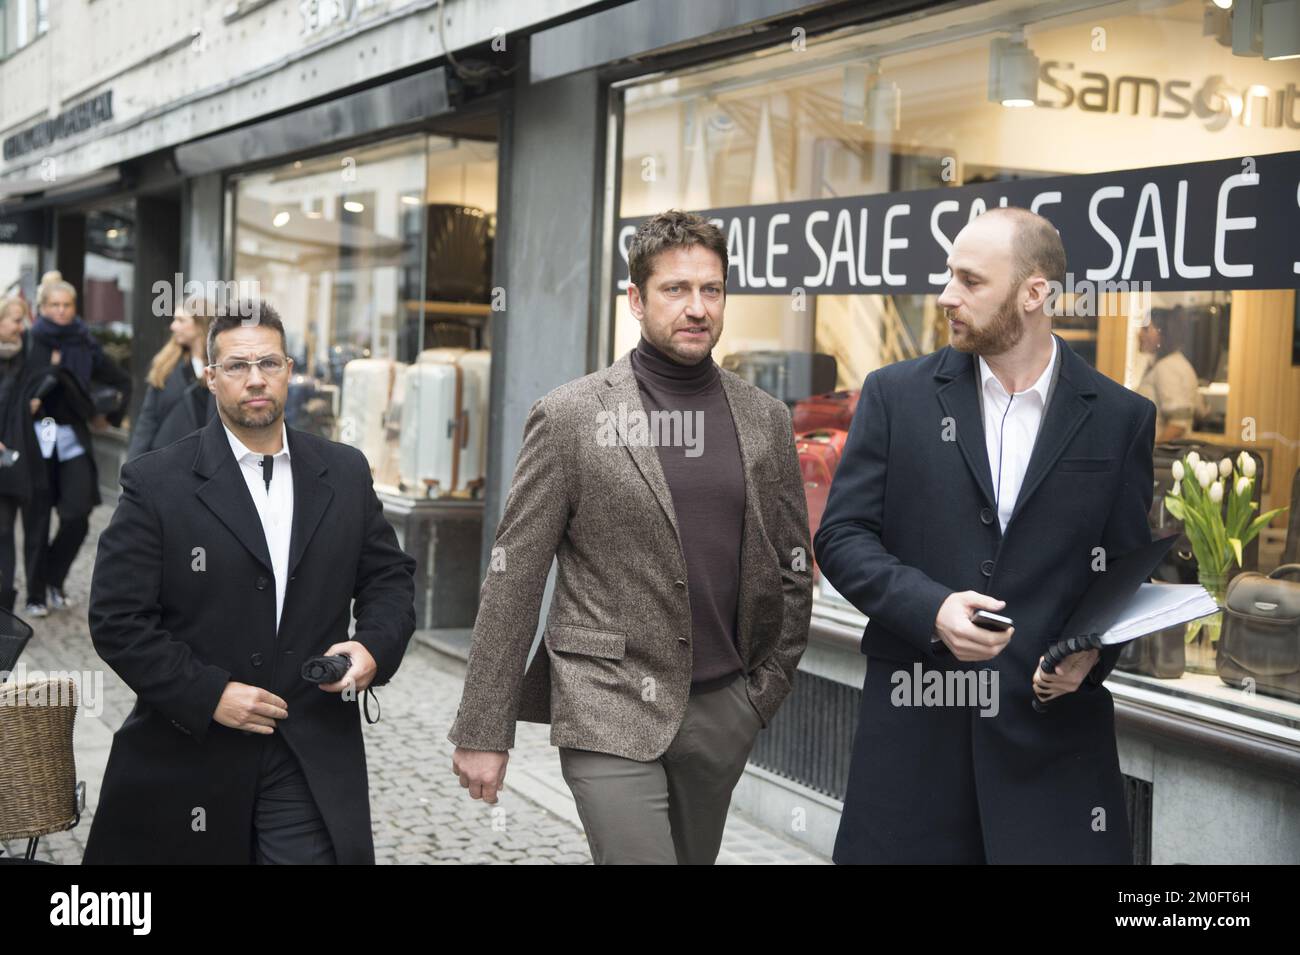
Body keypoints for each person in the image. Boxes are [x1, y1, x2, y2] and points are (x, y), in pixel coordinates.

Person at [449, 209, 812, 865]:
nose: (698, 307)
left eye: (712, 289)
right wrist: (484, 727)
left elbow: (791, 567)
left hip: (722, 710)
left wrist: (761, 694)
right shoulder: (571, 416)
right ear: (636, 300)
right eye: (676, 289)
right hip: (605, 704)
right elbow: (514, 576)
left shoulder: (764, 419)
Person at [815, 207, 1155, 864]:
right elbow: (842, 536)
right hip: (914, 749)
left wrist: (1094, 656)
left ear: (1035, 292)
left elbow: (1121, 570)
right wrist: (932, 607)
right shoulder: (894, 396)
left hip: (1051, 760)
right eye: (949, 276)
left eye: (970, 281)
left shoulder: (1120, 417)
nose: (947, 296)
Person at [83, 301, 416, 864]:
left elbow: (388, 578)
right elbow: (117, 619)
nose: (255, 378)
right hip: (192, 753)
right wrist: (208, 693)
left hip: (306, 746)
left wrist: (372, 648)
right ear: (210, 377)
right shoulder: (155, 482)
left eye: (269, 362)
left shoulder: (346, 471)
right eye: (237, 366)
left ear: (290, 369)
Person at [23, 272, 131, 617]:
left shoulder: (84, 341)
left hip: (70, 435)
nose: (61, 311)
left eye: (67, 305)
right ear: (42, 307)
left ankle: (54, 577)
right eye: (54, 305)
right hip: (38, 434)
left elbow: (120, 378)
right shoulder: (30, 341)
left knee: (77, 515)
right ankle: (36, 593)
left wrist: (108, 417)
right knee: (38, 519)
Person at [0, 297, 47, 614]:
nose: (21, 327)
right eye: (15, 320)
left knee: (11, 529)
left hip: (20, 458)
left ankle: (16, 601)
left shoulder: (27, 355)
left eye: (23, 320)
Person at [126, 295, 216, 460]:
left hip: (206, 464)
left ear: (200, 324)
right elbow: (148, 420)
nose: (173, 326)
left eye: (181, 320)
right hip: (165, 462)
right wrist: (132, 464)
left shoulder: (221, 367)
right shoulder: (166, 364)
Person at [1136, 306, 1202, 442]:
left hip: (1163, 459)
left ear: (1162, 334)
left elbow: (1178, 425)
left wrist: (1148, 454)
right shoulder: (1174, 363)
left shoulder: (1167, 367)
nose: (1139, 334)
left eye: (1146, 328)